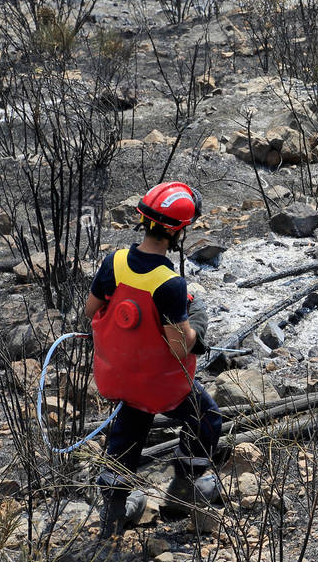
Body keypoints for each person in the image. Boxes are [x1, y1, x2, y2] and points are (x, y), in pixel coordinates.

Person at [85, 181, 221, 538]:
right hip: (160, 385)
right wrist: (199, 318)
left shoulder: (114, 262)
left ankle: (115, 510)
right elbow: (180, 347)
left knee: (128, 433)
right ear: (178, 231)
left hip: (120, 378)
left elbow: (91, 310)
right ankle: (184, 488)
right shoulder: (170, 284)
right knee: (206, 417)